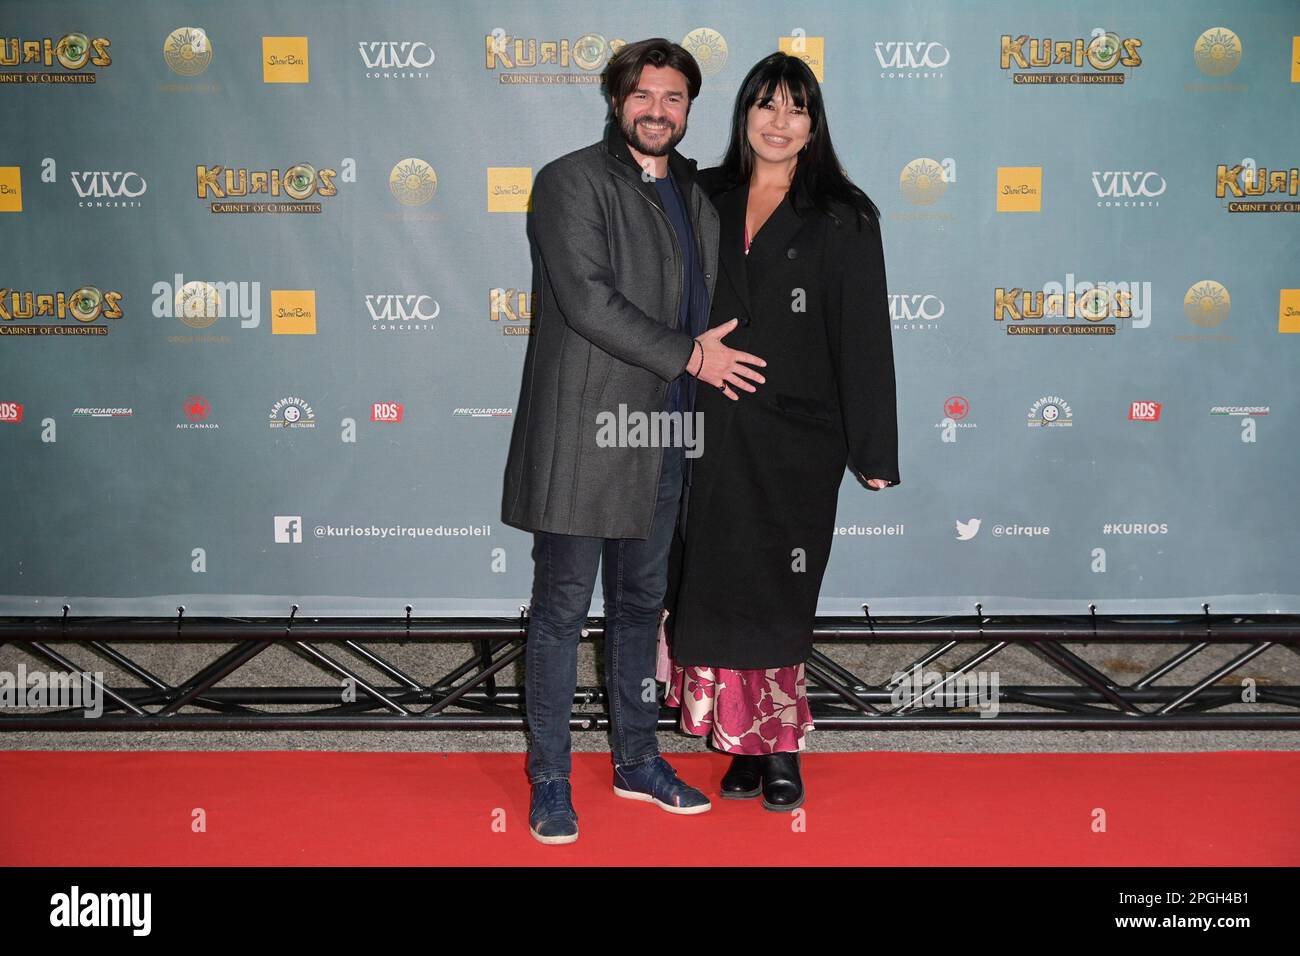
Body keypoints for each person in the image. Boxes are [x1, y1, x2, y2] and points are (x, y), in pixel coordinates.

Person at [501, 37, 768, 844]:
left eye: (675, 98)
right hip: (586, 430)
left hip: (663, 431)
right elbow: (587, 300)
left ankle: (636, 761)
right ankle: (550, 779)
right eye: (645, 95)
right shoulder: (569, 180)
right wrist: (693, 355)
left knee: (641, 608)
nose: (659, 110)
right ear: (619, 101)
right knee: (558, 613)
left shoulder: (694, 190)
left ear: (691, 108)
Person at [661, 51, 901, 811]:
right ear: (745, 115)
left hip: (798, 437)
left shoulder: (845, 213)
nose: (779, 122)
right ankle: (738, 741)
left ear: (814, 122)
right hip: (706, 428)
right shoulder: (701, 194)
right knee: (711, 583)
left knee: (780, 592)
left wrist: (874, 448)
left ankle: (780, 746)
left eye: (796, 108)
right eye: (766, 105)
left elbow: (864, 337)